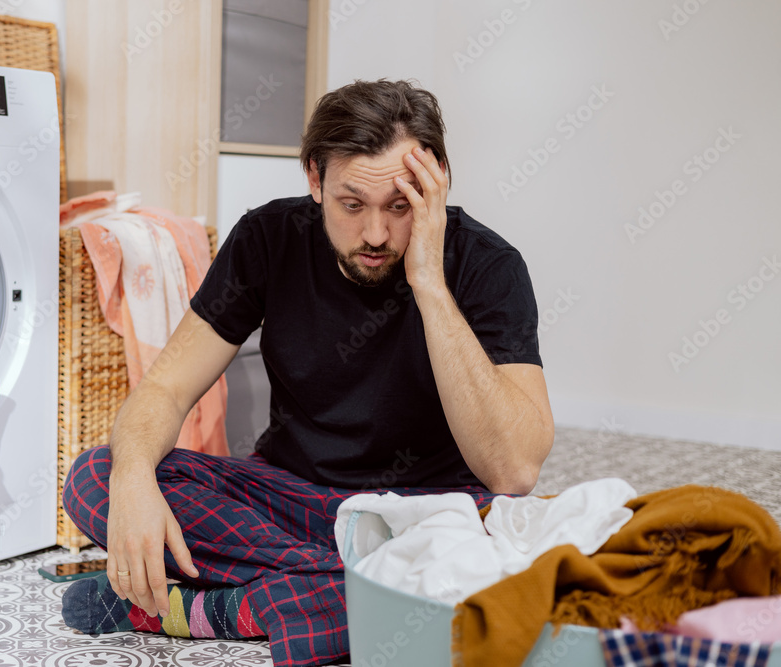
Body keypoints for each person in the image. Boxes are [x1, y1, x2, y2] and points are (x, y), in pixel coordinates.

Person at [61, 79, 554, 666]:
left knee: (494, 552)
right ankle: (371, 589)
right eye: (353, 204)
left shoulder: (487, 265)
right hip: (292, 498)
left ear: (435, 181)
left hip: (425, 514)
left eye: (400, 206)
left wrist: (428, 282)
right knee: (98, 475)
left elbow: (515, 470)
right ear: (315, 179)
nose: (376, 234)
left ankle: (222, 607)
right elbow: (166, 387)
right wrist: (135, 477)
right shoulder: (268, 238)